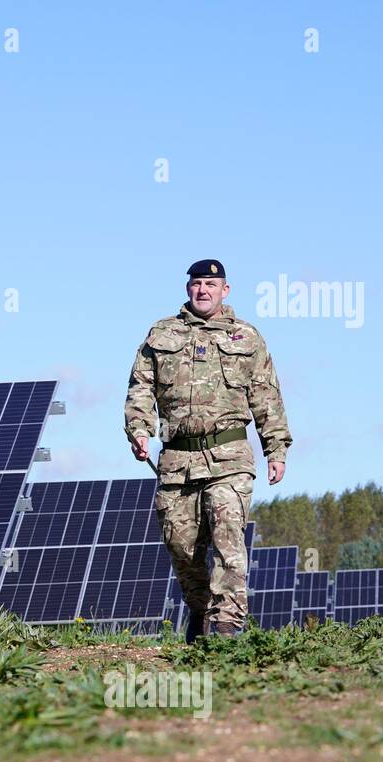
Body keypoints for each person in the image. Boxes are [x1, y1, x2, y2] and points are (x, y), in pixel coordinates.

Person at [124, 260, 292, 640]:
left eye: (211, 284)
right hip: (177, 461)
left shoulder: (246, 338)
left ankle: (228, 625)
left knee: (227, 539)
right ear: (188, 289)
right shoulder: (161, 334)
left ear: (225, 291)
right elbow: (140, 387)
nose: (203, 291)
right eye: (197, 284)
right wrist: (139, 429)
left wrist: (276, 448)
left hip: (229, 458)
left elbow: (267, 396)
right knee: (181, 549)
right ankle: (201, 615)